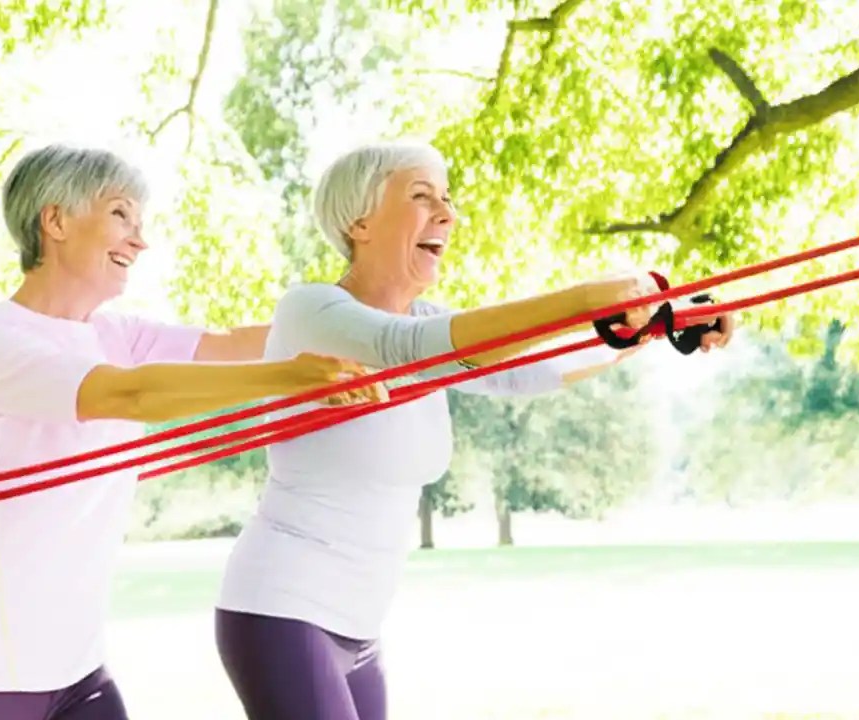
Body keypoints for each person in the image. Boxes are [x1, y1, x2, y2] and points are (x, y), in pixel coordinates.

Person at [212, 140, 737, 720]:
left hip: (360, 631)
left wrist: (658, 324)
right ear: (358, 221)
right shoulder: (311, 311)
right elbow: (403, 348)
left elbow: (530, 371)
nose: (446, 213)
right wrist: (586, 298)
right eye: (420, 196)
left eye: (447, 198)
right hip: (282, 608)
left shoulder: (427, 324)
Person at [0, 144, 383, 720]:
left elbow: (229, 346)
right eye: (121, 216)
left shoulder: (115, 333)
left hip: (77, 668)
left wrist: (381, 321)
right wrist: (292, 377)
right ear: (55, 221)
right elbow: (126, 393)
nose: (139, 239)